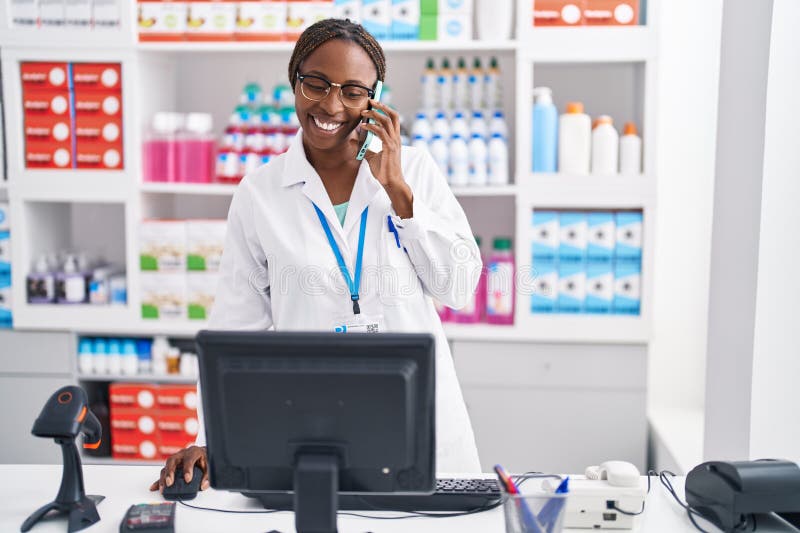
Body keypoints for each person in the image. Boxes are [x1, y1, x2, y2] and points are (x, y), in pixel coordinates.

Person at [151, 18, 482, 494]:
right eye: (317, 84)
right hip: (314, 429)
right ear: (295, 82)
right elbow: (234, 329)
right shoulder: (260, 193)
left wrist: (398, 191)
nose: (331, 105)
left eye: (353, 91)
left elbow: (459, 289)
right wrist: (210, 438)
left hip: (421, 427)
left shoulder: (415, 170)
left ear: (374, 99)